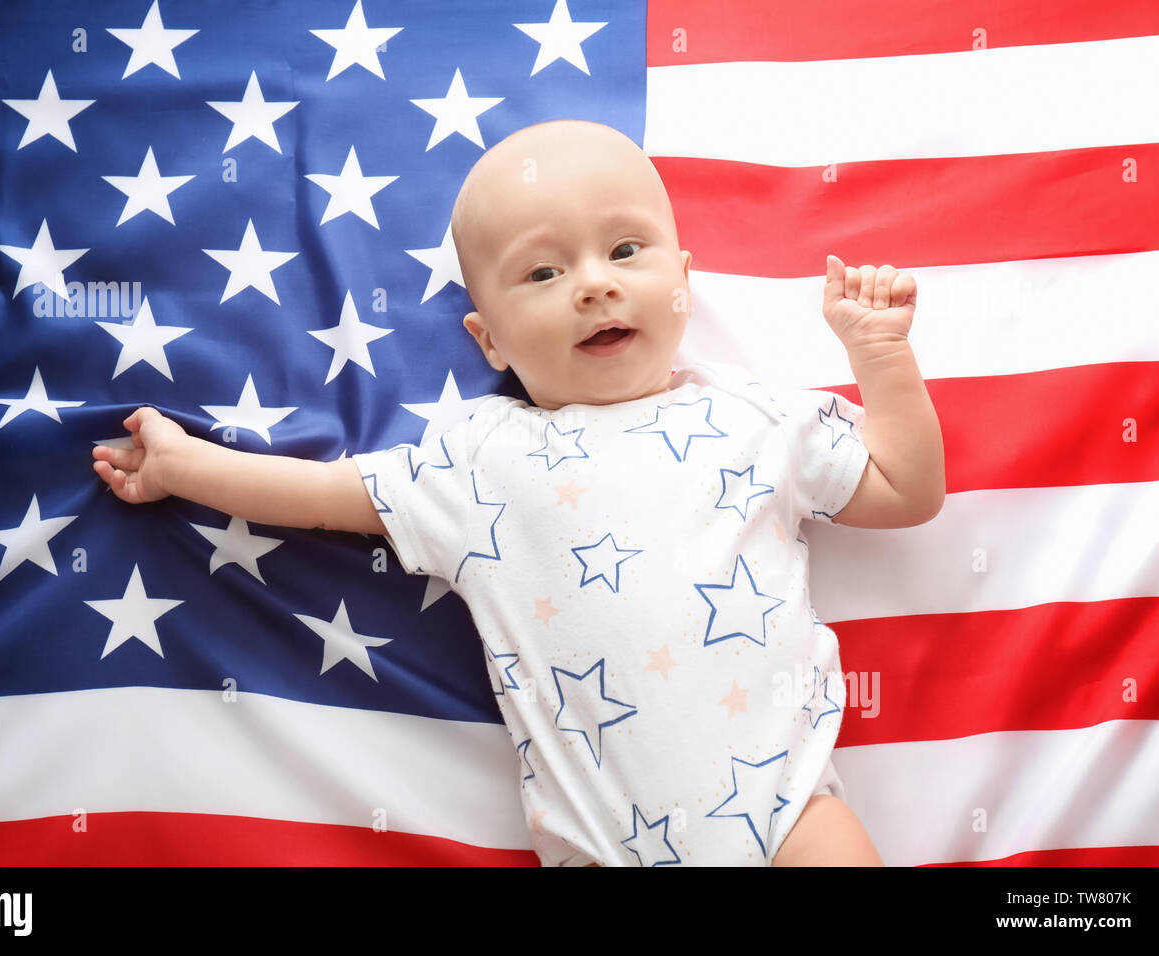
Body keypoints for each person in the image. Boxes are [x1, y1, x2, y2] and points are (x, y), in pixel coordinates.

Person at [93, 119, 945, 866]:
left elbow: (907, 489)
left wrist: (881, 358)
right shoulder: (481, 459)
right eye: (542, 273)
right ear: (488, 338)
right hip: (601, 844)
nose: (593, 284)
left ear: (684, 278)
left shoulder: (754, 417)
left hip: (788, 817)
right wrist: (185, 468)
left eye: (624, 252)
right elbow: (321, 492)